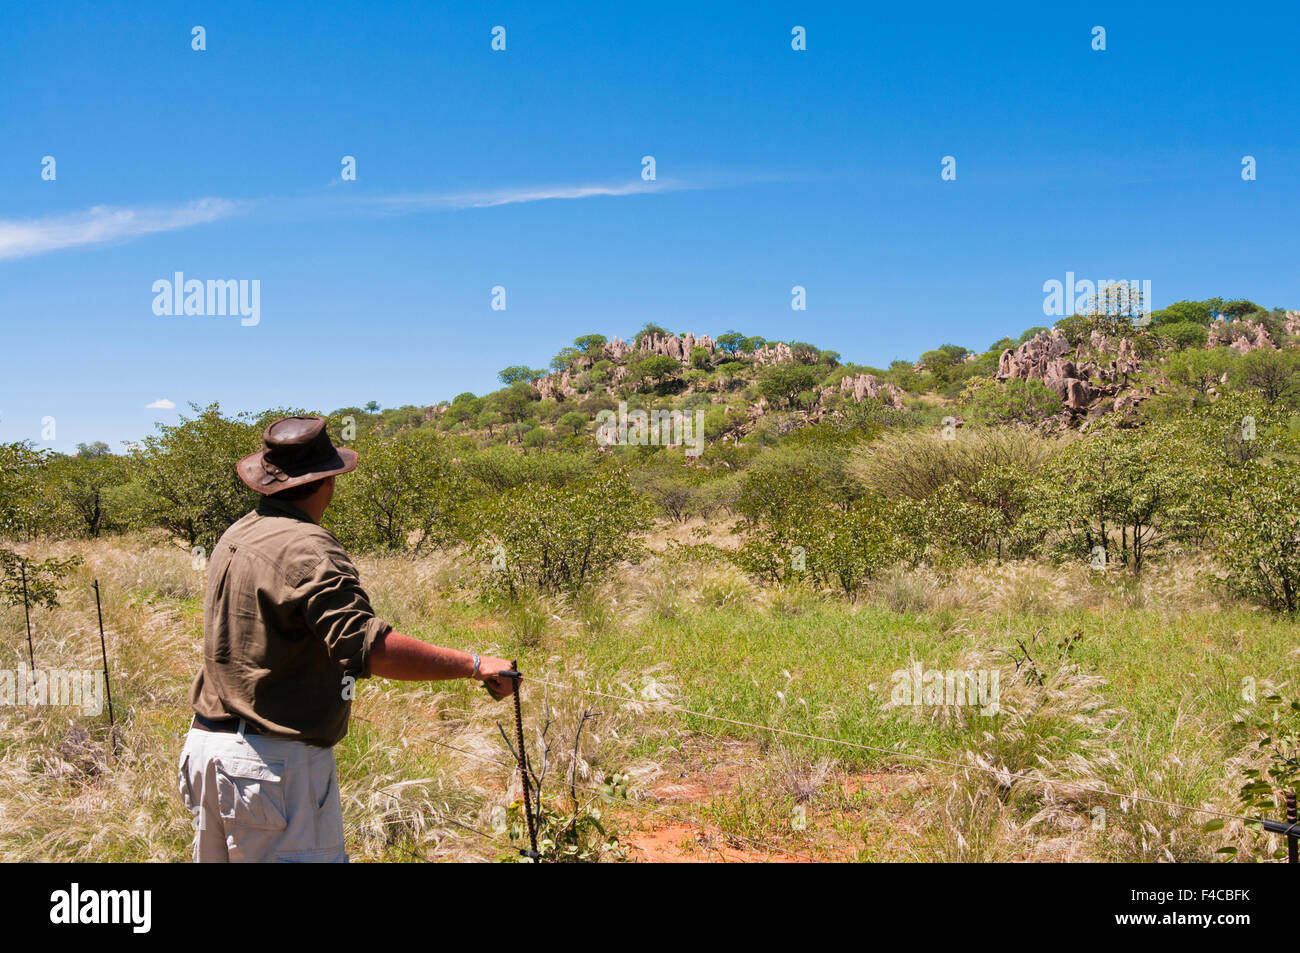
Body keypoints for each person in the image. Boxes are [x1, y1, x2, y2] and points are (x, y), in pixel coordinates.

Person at [177, 415, 516, 862]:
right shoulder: (309, 548)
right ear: (328, 482)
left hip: (207, 752)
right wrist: (474, 664)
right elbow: (365, 647)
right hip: (271, 767)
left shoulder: (237, 532)